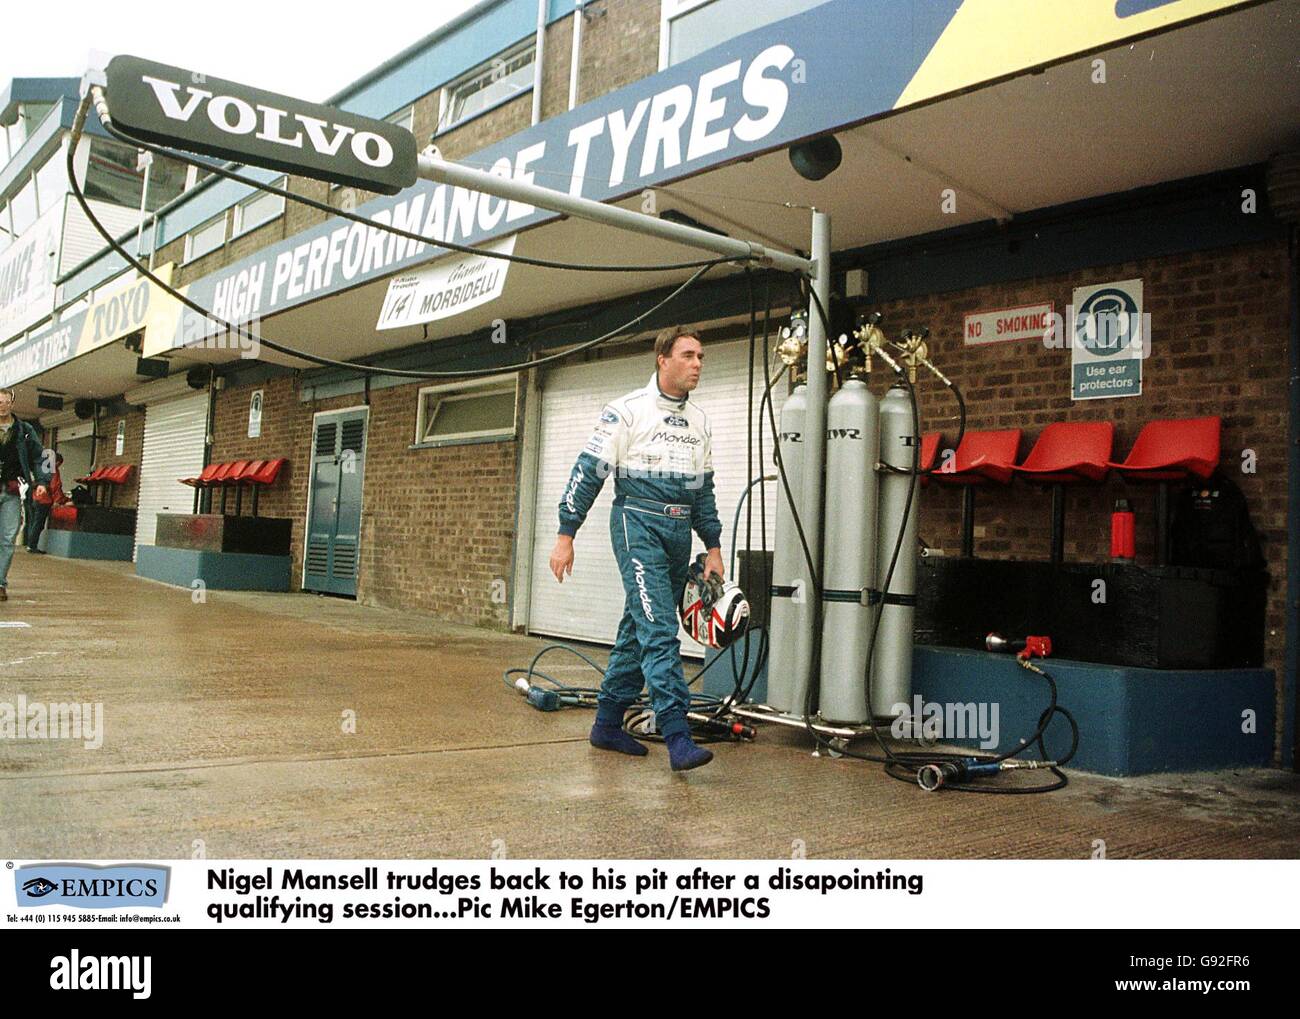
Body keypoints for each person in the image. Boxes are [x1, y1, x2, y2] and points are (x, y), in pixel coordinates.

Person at [550, 326, 725, 772]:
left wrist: (714, 547)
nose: (697, 363)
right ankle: (677, 734)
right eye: (688, 355)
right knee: (660, 628)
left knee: (637, 626)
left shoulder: (700, 422)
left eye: (701, 356)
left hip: (679, 527)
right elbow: (588, 472)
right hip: (636, 521)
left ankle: (607, 723)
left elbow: (704, 492)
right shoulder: (625, 411)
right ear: (662, 359)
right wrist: (565, 534)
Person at [0, 387, 51, 601]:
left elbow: (42, 457)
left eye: (5, 401)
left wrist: (43, 482)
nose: (1, 405)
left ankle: (0, 583)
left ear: (12, 403)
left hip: (11, 491)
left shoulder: (25, 430)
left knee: (7, 538)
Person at [28, 452, 69, 554]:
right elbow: (55, 487)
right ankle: (32, 546)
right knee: (39, 523)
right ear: (57, 462)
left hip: (35, 498)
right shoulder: (53, 471)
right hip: (45, 500)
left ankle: (30, 544)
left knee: (34, 522)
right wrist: (59, 500)